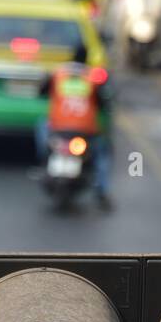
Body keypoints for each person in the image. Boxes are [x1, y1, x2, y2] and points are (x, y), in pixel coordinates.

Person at [37, 45, 114, 209]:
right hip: (86, 130)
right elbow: (103, 102)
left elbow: (41, 91)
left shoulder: (58, 73)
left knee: (42, 127)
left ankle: (43, 159)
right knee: (102, 154)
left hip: (58, 128)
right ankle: (102, 191)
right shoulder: (93, 77)